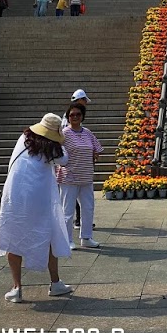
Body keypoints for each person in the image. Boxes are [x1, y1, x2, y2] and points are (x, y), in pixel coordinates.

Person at [0, 114, 74, 302]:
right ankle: (55, 283)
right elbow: (65, 160)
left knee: (13, 235)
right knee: (47, 235)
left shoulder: (24, 138)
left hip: (14, 195)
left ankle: (17, 287)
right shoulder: (53, 148)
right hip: (39, 197)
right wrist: (58, 140)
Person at [58, 103, 104, 248]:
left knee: (88, 208)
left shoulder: (87, 133)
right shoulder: (64, 134)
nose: (75, 117)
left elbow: (97, 148)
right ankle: (67, 240)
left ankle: (86, 237)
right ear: (68, 117)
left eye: (78, 114)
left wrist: (95, 154)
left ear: (82, 116)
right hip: (69, 178)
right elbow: (57, 154)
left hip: (86, 177)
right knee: (67, 211)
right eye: (72, 115)